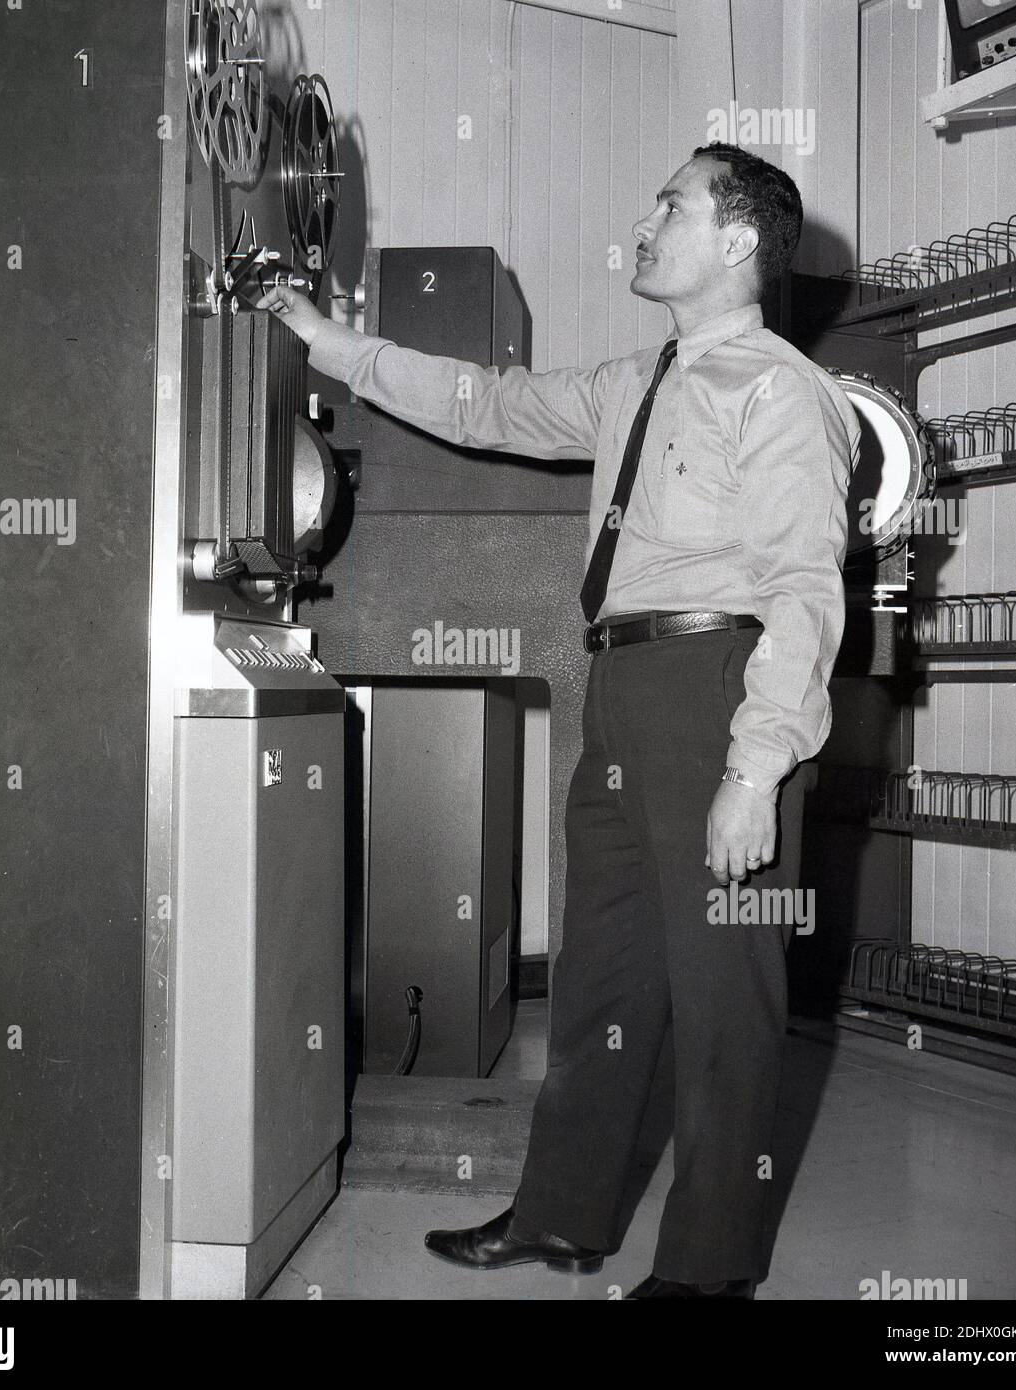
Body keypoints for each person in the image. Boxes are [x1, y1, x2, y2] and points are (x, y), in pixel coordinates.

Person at [264, 140, 860, 1299]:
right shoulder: (638, 382)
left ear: (735, 241)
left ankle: (708, 1270)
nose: (645, 219)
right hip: (627, 689)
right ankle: (564, 1217)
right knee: (606, 980)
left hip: (721, 689)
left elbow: (801, 590)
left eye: (670, 203)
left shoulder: (786, 392)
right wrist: (330, 343)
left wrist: (755, 765)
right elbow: (487, 404)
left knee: (725, 999)